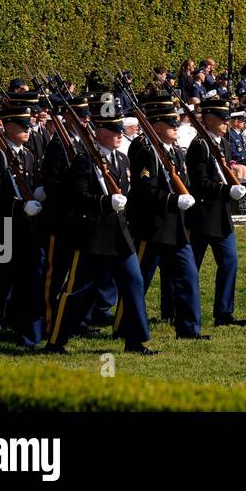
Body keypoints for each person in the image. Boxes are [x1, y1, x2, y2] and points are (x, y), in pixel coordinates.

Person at [47, 109, 154, 355]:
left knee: (133, 283)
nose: (119, 135)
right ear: (101, 133)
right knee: (77, 291)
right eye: (114, 131)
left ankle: (135, 340)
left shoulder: (122, 159)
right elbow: (77, 197)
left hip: (120, 235)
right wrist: (105, 202)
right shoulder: (84, 161)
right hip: (93, 236)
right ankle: (56, 340)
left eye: (120, 131)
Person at [125, 93, 206, 339]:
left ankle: (189, 329)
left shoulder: (174, 152)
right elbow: (145, 190)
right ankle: (124, 326)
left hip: (175, 227)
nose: (176, 127)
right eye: (171, 124)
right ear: (157, 126)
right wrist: (173, 200)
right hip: (152, 227)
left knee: (188, 276)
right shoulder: (146, 151)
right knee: (138, 281)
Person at [183, 98, 246, 328]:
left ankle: (224, 312)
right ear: (208, 119)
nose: (226, 123)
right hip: (202, 215)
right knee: (191, 268)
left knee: (230, 262)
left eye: (227, 119)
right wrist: (227, 190)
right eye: (221, 119)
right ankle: (179, 312)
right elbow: (200, 183)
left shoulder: (224, 144)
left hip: (221, 215)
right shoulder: (199, 146)